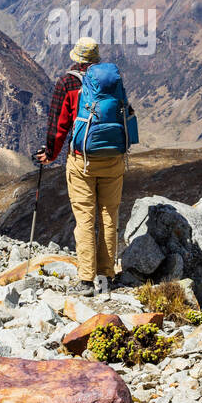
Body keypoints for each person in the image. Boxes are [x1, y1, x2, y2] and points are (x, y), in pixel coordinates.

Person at [34, 36, 134, 297]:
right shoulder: (112, 81)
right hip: (113, 158)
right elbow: (126, 112)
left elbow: (59, 125)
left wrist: (50, 154)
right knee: (109, 216)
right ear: (96, 58)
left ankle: (87, 281)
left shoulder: (67, 83)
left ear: (75, 57)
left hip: (83, 160)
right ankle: (107, 275)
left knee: (85, 217)